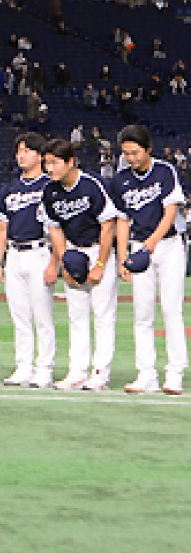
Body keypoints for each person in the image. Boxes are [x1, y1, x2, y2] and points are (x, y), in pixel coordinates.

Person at [110, 125, 187, 394]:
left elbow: (170, 213)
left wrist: (149, 246)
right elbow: (122, 219)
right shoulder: (120, 180)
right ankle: (146, 374)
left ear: (148, 150)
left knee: (170, 308)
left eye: (135, 152)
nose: (131, 158)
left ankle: (175, 372)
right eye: (126, 153)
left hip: (167, 246)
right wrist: (123, 257)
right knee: (142, 313)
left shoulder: (165, 172)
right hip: (138, 247)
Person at [39, 139, 120, 392]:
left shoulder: (92, 185)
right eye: (46, 163)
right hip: (74, 251)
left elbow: (108, 226)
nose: (49, 168)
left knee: (103, 314)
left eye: (54, 162)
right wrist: (66, 262)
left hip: (98, 249)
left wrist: (99, 264)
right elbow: (55, 229)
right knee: (77, 316)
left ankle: (100, 373)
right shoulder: (49, 192)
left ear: (70, 161)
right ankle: (77, 372)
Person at [0, 133, 57, 388]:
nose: (21, 155)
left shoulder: (49, 186)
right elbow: (1, 229)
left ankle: (45, 368)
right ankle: (24, 366)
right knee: (19, 315)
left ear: (40, 155)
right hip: (15, 254)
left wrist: (54, 262)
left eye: (27, 150)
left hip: (40, 250)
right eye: (19, 150)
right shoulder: (9, 189)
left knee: (42, 315)